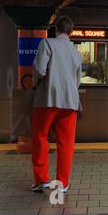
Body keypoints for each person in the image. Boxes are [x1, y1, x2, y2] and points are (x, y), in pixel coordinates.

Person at [30, 15, 82, 192]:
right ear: (71, 32)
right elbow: (77, 81)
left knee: (40, 137)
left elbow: (39, 69)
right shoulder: (76, 52)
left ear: (56, 29)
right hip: (70, 103)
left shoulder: (47, 43)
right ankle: (62, 184)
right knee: (66, 143)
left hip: (47, 99)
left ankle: (41, 179)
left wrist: (36, 83)